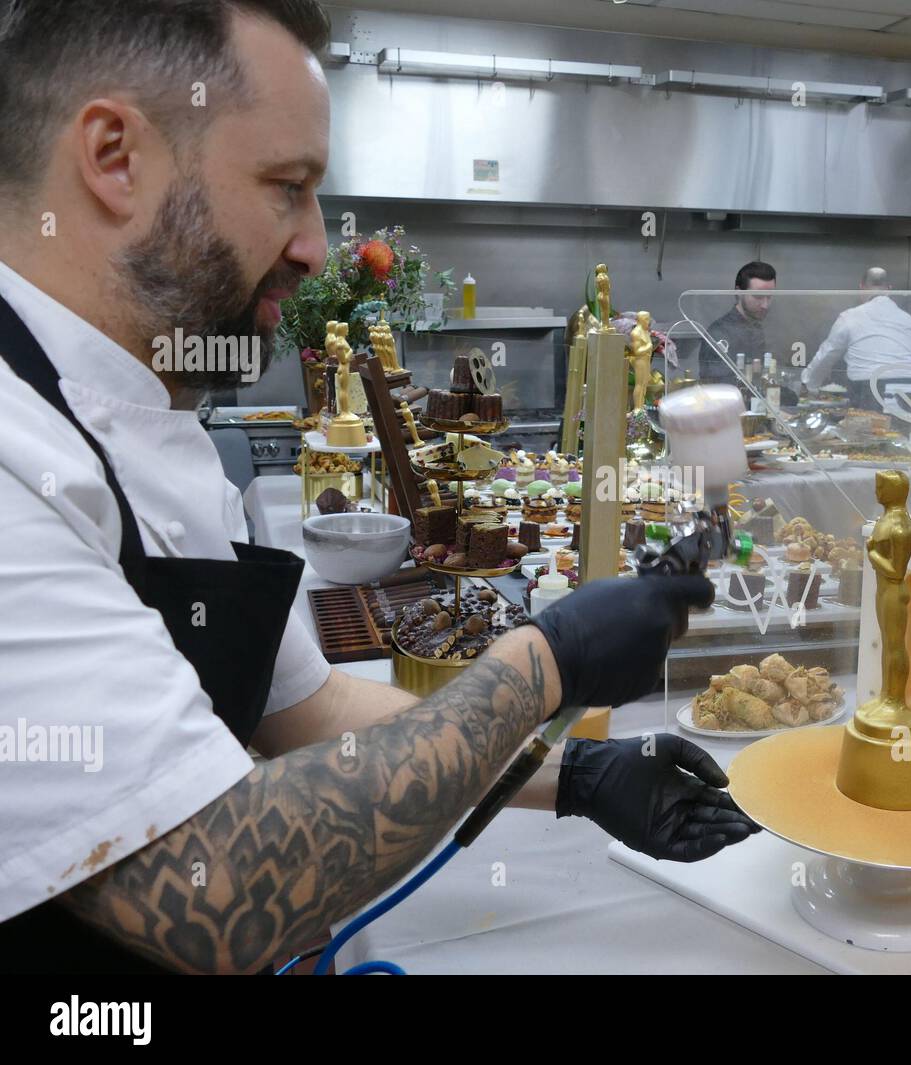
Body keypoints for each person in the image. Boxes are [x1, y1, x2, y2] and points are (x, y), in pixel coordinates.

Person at [0, 0, 756, 975]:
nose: (316, 245)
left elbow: (312, 718)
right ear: (114, 157)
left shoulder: (152, 421)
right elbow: (210, 888)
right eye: (287, 186)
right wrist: (544, 665)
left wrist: (574, 772)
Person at [801, 268, 911, 411]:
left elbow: (826, 356)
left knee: (866, 432)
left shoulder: (850, 317)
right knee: (903, 433)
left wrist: (809, 385)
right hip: (910, 392)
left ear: (861, 287)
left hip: (870, 393)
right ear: (889, 289)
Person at [697, 261, 776, 385]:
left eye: (770, 297)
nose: (765, 305)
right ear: (739, 293)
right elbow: (715, 389)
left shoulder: (757, 329)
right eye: (758, 296)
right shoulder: (718, 334)